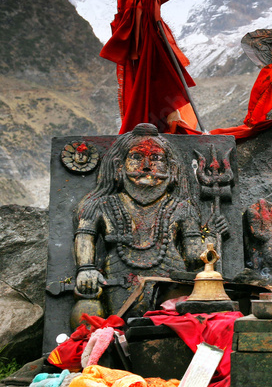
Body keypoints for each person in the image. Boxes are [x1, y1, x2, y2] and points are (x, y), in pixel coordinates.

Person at [73, 123, 224, 315]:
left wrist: (211, 237)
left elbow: (194, 258)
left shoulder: (182, 208)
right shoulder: (100, 206)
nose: (146, 166)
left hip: (171, 287)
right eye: (136, 157)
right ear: (119, 166)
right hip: (119, 283)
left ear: (171, 169)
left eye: (156, 158)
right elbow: (85, 237)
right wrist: (86, 269)